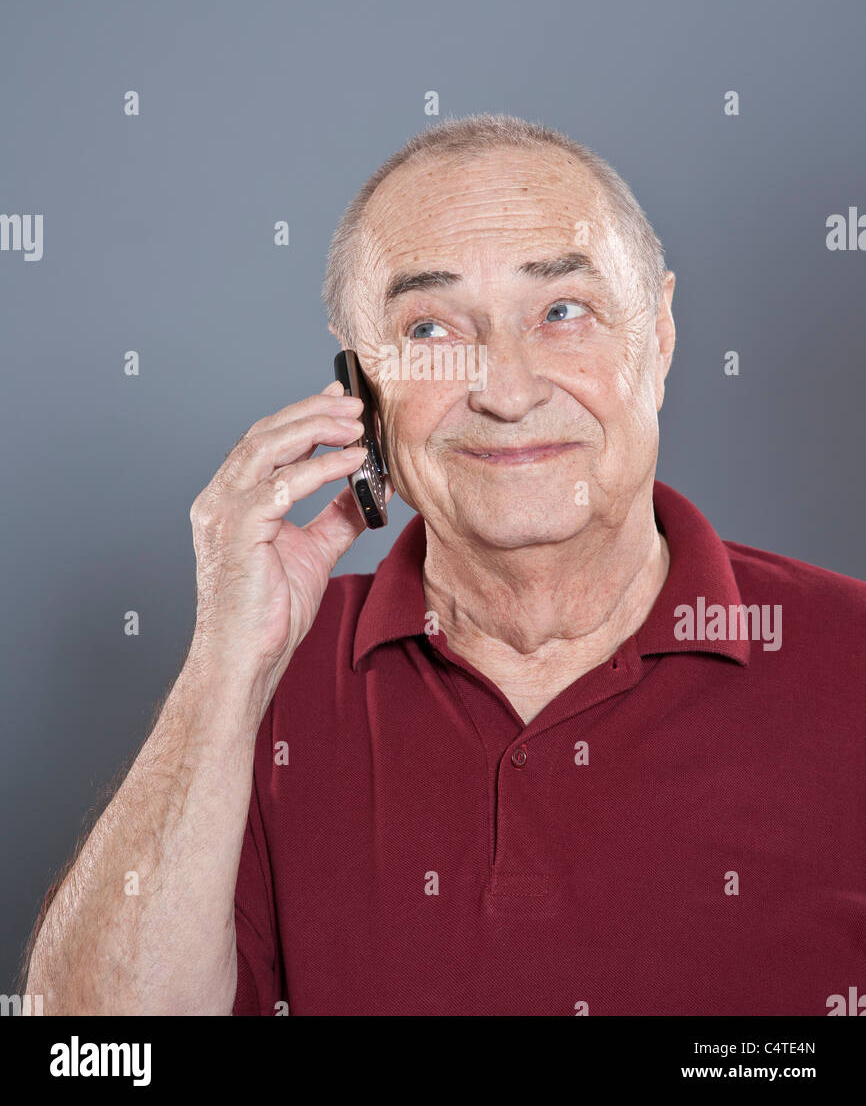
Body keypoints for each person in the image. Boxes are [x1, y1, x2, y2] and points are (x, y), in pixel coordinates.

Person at [25, 114, 865, 1015]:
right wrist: (227, 673)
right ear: (360, 393)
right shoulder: (267, 683)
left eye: (562, 312)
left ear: (657, 337)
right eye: (430, 330)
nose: (506, 391)